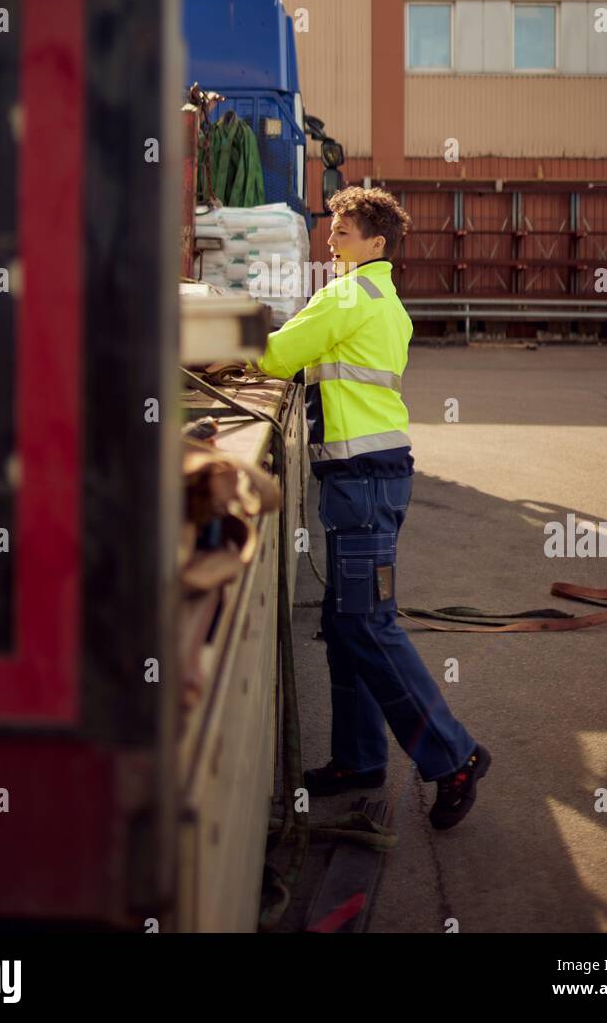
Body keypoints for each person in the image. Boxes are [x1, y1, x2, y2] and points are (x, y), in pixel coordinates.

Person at [210, 186, 490, 829]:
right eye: (331, 229)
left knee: (366, 623)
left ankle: (455, 757)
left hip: (362, 479)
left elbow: (279, 352)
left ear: (376, 244)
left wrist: (213, 344)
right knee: (344, 623)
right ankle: (359, 759)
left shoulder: (348, 295)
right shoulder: (386, 301)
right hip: (374, 474)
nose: (329, 240)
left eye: (342, 232)